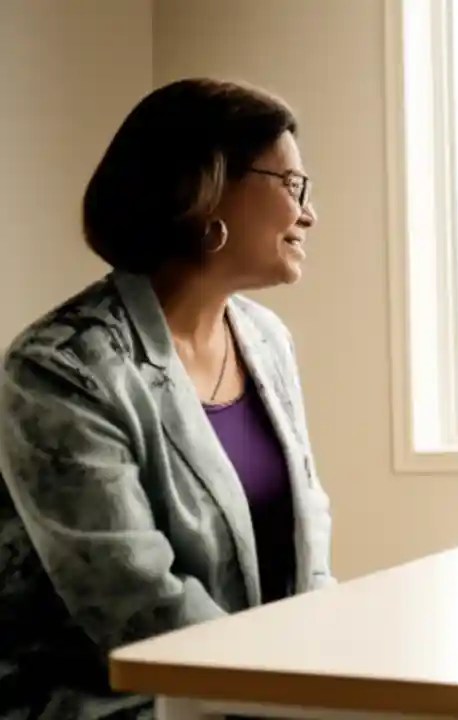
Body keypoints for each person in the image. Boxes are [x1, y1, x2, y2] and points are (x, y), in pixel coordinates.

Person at [0, 78, 336, 719]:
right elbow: (134, 601)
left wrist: (330, 675)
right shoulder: (60, 368)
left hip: (254, 694)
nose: (308, 213)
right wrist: (286, 694)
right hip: (112, 707)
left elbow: (308, 547)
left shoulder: (266, 338)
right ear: (204, 189)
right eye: (292, 184)